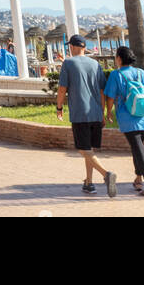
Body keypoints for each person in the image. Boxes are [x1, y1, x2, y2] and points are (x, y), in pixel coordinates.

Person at [103, 46, 144, 197]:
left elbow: (110, 97)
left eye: (116, 57)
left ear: (119, 59)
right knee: (137, 148)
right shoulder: (141, 73)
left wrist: (108, 112)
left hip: (128, 120)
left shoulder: (116, 75)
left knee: (139, 151)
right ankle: (138, 179)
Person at [55, 34, 117, 196]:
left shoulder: (68, 63)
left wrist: (59, 107)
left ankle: (106, 174)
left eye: (70, 46)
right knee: (89, 150)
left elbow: (62, 89)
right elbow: (103, 90)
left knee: (83, 150)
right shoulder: (95, 64)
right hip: (96, 113)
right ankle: (89, 183)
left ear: (75, 47)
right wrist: (103, 113)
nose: (69, 48)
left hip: (80, 113)